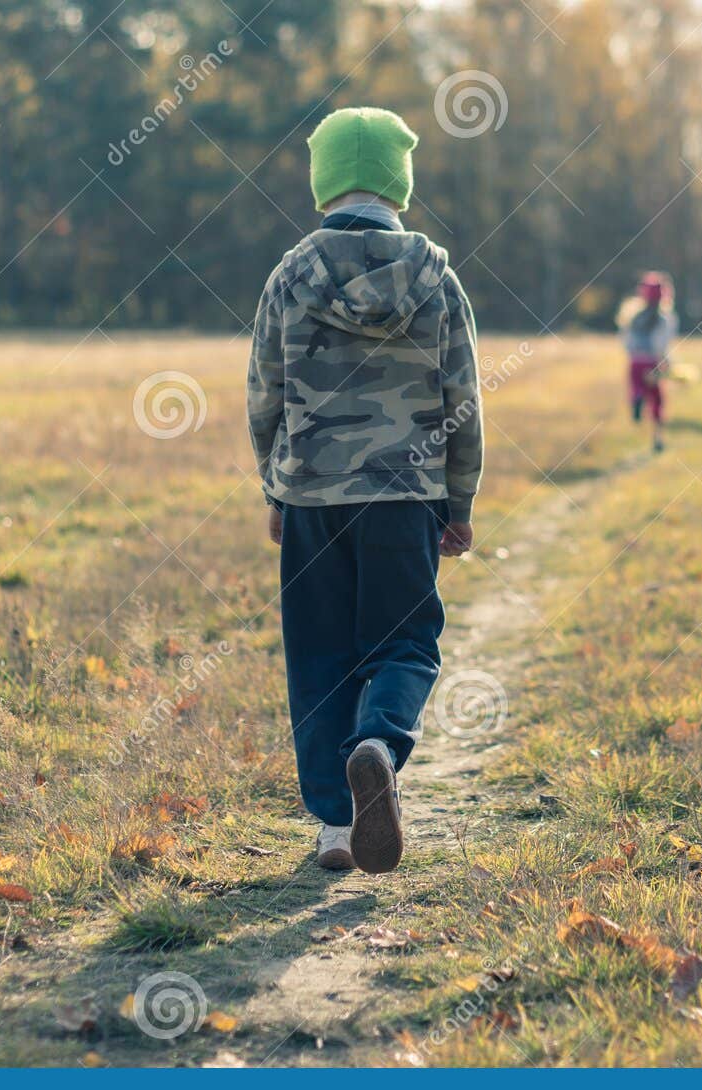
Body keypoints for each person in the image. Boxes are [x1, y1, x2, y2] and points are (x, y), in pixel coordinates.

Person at [246, 107, 482, 874]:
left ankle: (337, 829)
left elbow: (265, 394)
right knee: (405, 643)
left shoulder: (289, 274)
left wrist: (276, 489)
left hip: (313, 497)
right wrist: (459, 504)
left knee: (318, 657)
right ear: (398, 181)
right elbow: (464, 398)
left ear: (323, 183)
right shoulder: (436, 277)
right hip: (406, 497)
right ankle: (379, 740)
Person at [617, 272, 678, 452]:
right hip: (652, 363)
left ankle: (637, 398)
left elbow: (625, 339)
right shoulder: (664, 319)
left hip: (636, 362)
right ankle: (658, 438)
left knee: (637, 388)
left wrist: (633, 353)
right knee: (657, 400)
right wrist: (666, 362)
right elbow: (661, 344)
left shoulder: (634, 316)